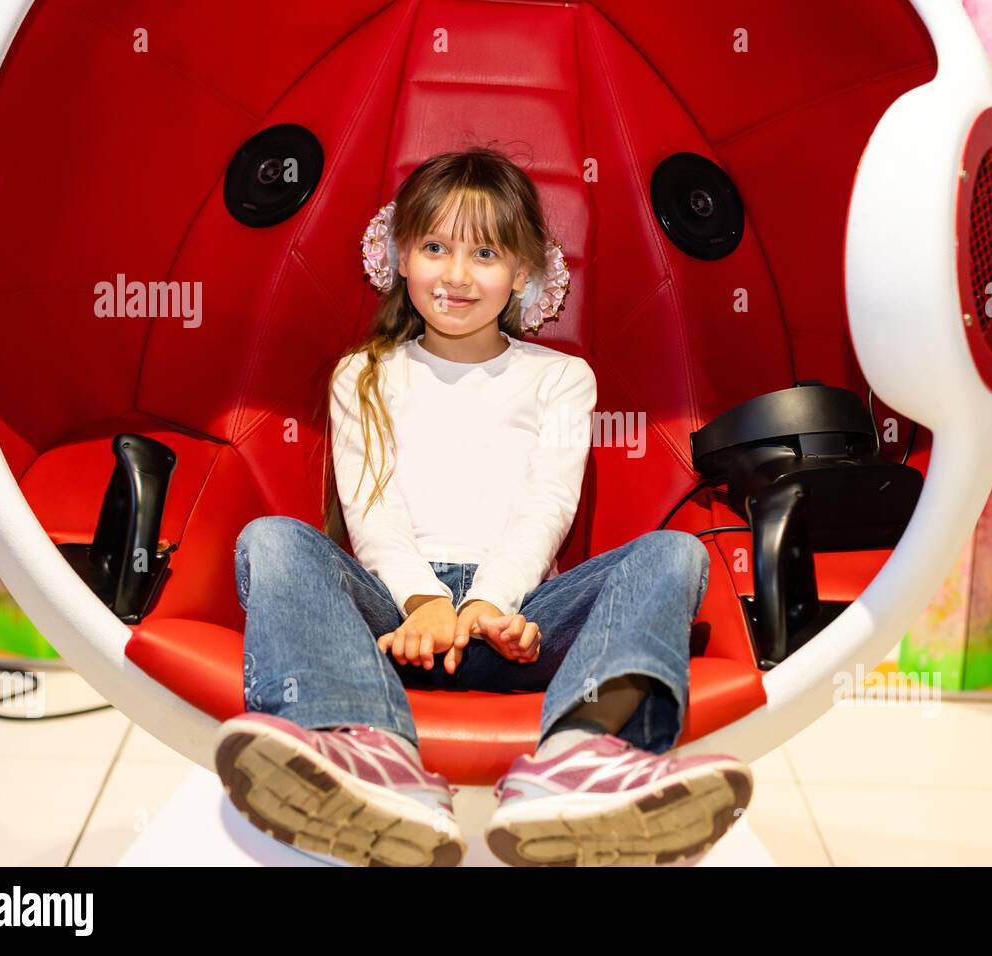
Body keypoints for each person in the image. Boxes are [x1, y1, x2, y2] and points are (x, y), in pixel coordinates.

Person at [212, 146, 753, 868]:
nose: (458, 275)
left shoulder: (562, 378)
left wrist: (490, 604)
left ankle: (580, 757)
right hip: (392, 618)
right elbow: (370, 509)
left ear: (524, 271)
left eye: (487, 253)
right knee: (273, 540)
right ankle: (367, 753)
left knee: (674, 553)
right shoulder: (364, 373)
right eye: (435, 247)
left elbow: (548, 504)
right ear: (400, 256)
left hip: (522, 616)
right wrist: (423, 603)